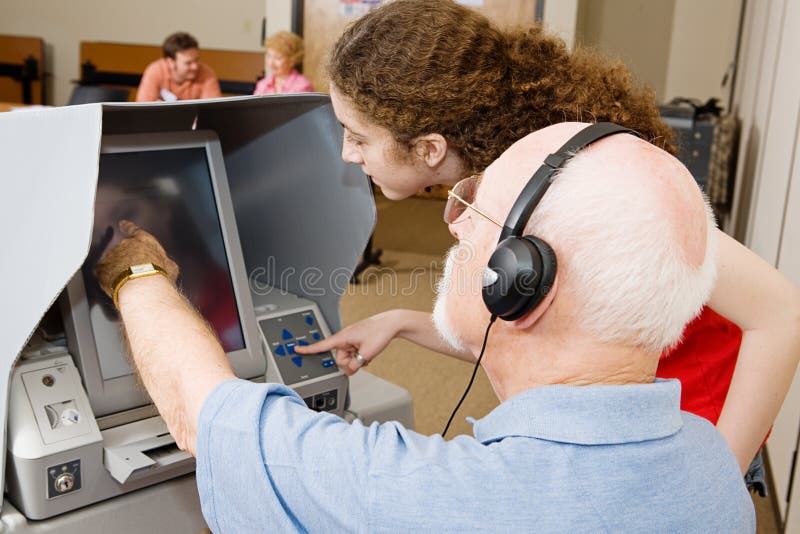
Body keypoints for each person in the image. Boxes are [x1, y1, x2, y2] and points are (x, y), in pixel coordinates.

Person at [94, 122, 755, 531]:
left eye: (479, 212)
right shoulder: (715, 467)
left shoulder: (434, 498)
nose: (453, 222)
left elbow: (204, 414)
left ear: (521, 279)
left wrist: (137, 274)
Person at [296, 0, 800, 477]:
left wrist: (722, 473)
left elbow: (780, 311)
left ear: (430, 148)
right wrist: (401, 321)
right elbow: (531, 340)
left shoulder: (590, 190)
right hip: (614, 417)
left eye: (357, 136)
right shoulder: (499, 189)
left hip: (686, 426)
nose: (346, 153)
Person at [136, 32, 222, 102]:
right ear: (170, 62)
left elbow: (212, 112)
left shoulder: (206, 73)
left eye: (196, 60)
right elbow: (144, 108)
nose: (195, 66)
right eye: (188, 63)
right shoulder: (155, 71)